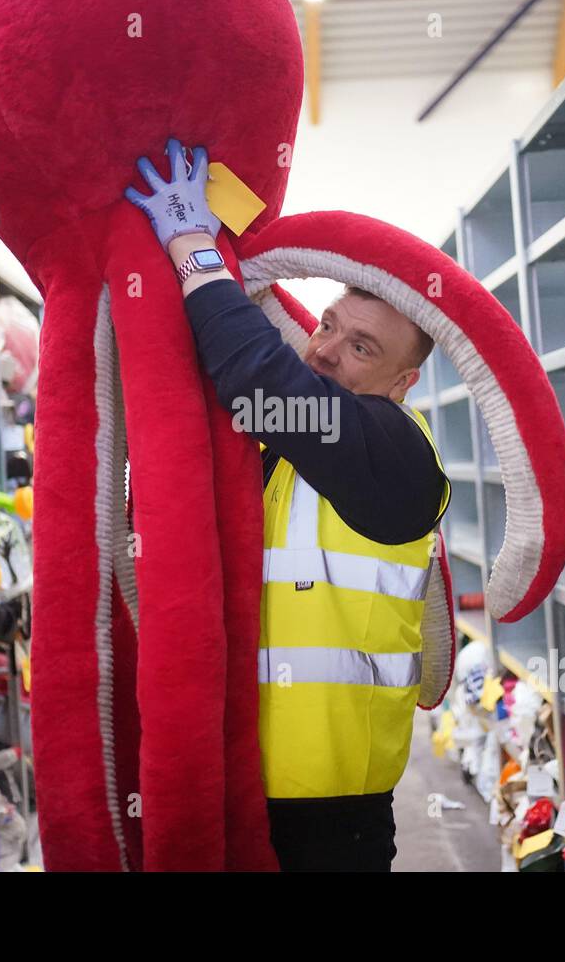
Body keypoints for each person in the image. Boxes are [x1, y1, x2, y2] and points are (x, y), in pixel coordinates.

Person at [126, 138, 449, 871]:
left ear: (402, 384)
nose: (327, 349)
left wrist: (192, 250)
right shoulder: (301, 447)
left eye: (363, 348)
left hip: (329, 812)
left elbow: (264, 384)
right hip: (239, 775)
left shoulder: (396, 453)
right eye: (329, 324)